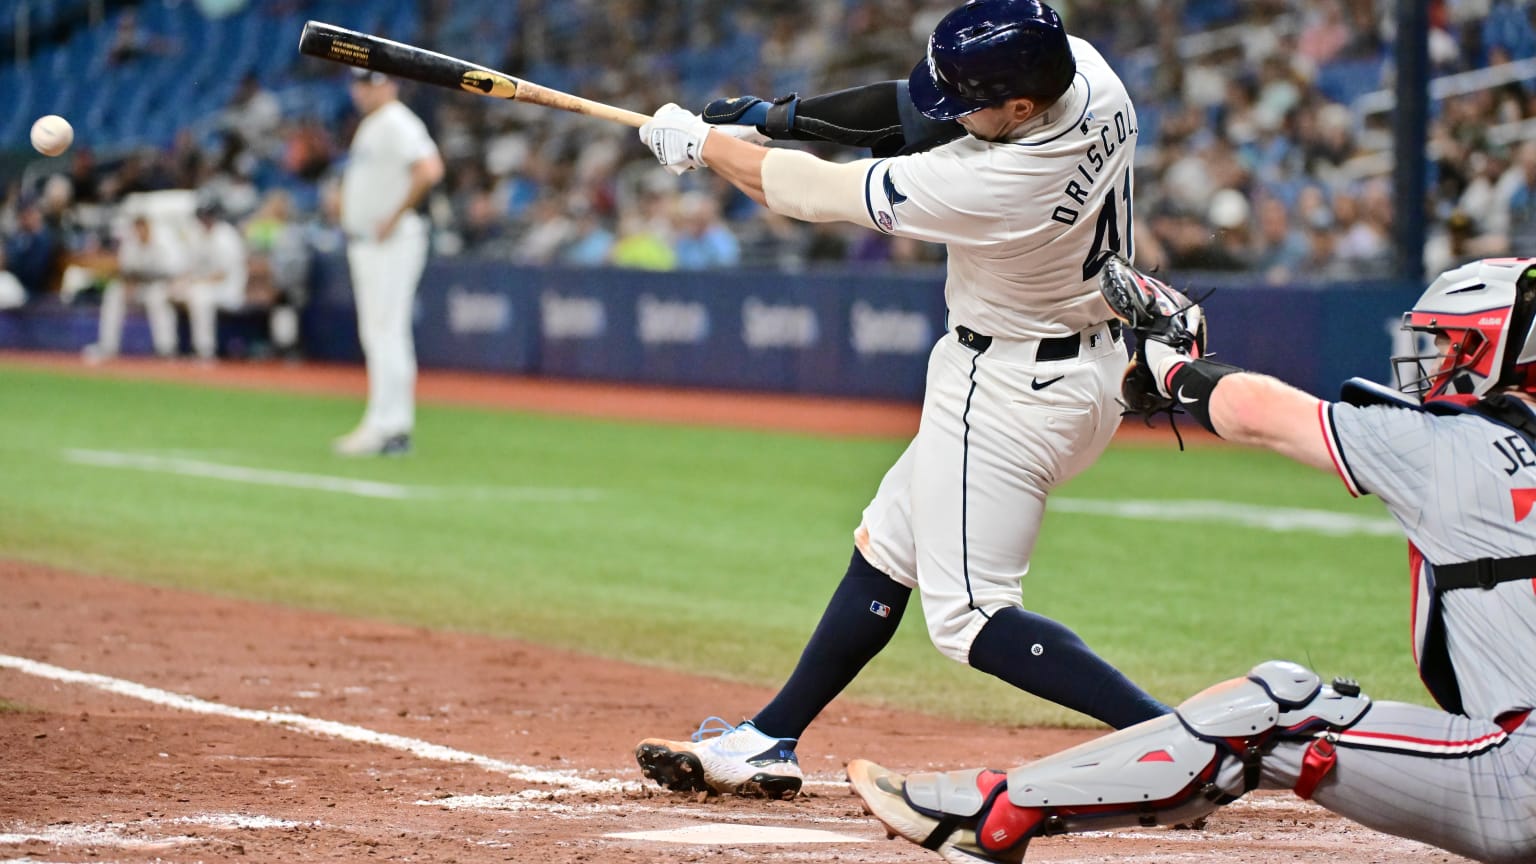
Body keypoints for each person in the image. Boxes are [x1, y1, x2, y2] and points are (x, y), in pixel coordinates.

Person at [631, 0, 1170, 801]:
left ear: (1020, 106)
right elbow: (913, 110)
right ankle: (770, 738)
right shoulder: (1087, 76)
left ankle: (1178, 744)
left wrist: (708, 148)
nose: (954, 110)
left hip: (1012, 388)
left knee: (972, 619)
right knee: (888, 544)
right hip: (1074, 369)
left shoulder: (998, 184)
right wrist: (779, 117)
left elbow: (812, 193)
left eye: (974, 102)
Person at [847, 254, 1536, 864]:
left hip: (1520, 786)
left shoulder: (1452, 448)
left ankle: (994, 814)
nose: (1435, 360)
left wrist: (1169, 364)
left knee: (1276, 707)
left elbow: (1259, 411)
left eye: (1453, 343)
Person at [333, 68, 445, 457]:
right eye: (360, 84)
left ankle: (390, 426)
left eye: (372, 83)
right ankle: (384, 423)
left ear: (390, 85)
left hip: (392, 241)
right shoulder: (373, 124)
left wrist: (394, 215)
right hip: (368, 242)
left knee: (387, 330)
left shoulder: (397, 120)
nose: (364, 91)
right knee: (379, 331)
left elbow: (430, 169)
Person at [84, 213, 181, 362]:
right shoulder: (131, 243)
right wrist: (128, 284)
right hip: (138, 288)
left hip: (160, 286)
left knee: (157, 299)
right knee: (113, 293)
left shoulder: (164, 241)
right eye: (137, 228)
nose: (140, 232)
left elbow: (171, 273)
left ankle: (166, 349)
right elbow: (125, 271)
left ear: (149, 227)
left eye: (143, 227)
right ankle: (108, 346)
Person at [168, 201, 248, 362]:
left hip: (229, 288)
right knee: (167, 294)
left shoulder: (226, 236)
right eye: (201, 217)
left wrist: (195, 282)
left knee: (200, 297)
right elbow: (190, 266)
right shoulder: (197, 234)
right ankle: (169, 348)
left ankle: (204, 351)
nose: (203, 221)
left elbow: (222, 275)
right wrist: (182, 283)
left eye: (206, 217)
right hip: (203, 284)